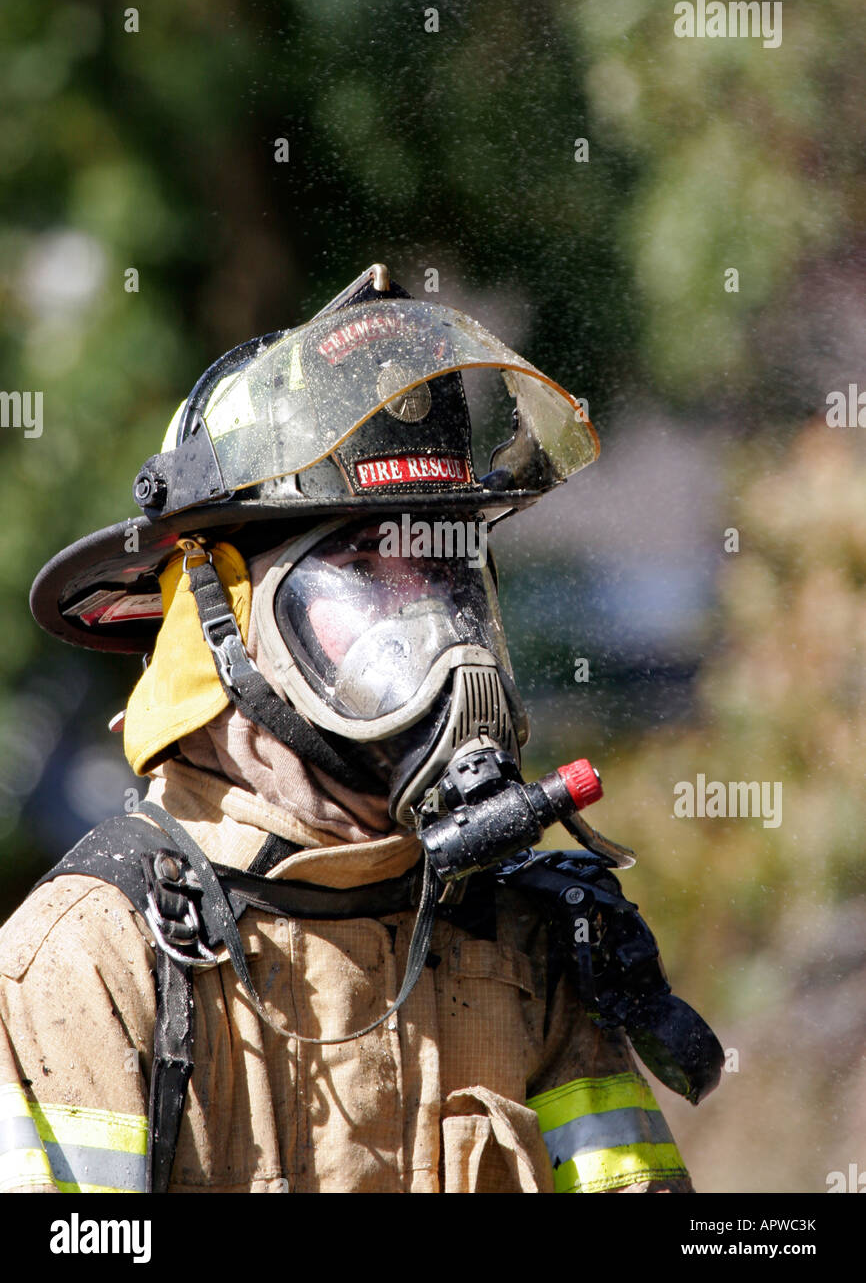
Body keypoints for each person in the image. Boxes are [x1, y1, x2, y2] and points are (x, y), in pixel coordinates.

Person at [0, 265, 712, 1194]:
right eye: (368, 569)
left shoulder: (522, 947)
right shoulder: (89, 966)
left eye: (442, 571)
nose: (429, 626)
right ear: (232, 628)